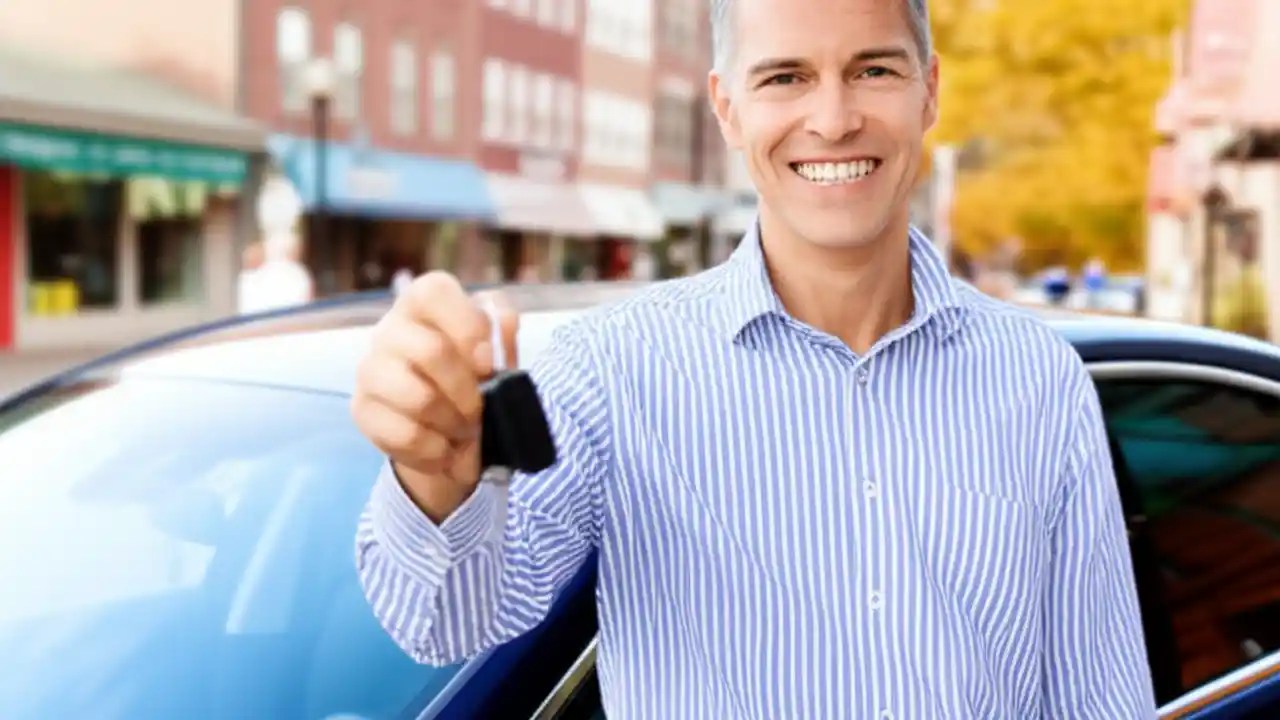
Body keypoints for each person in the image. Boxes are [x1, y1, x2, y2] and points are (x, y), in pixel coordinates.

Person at [350, 0, 1157, 717]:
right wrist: (435, 479)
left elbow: (1099, 697)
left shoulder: (1038, 380)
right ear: (727, 109)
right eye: (785, 78)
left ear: (930, 90)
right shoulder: (613, 372)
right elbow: (442, 619)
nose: (834, 118)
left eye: (873, 69)